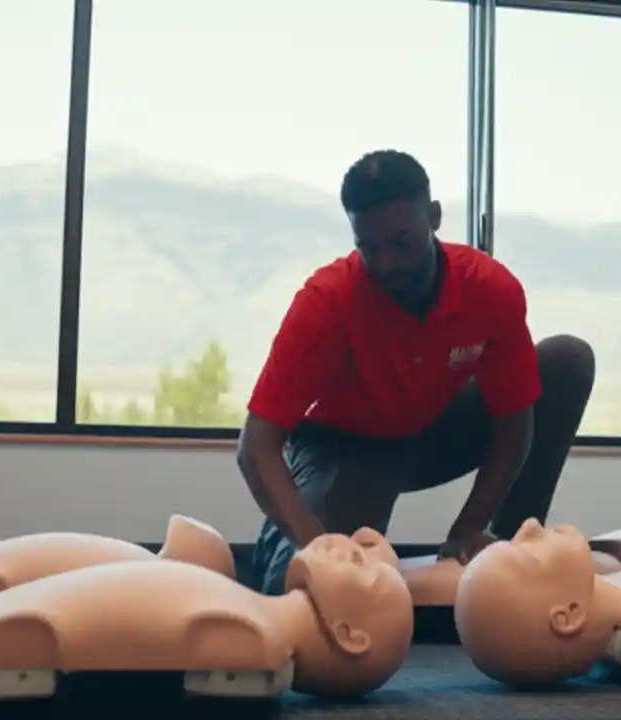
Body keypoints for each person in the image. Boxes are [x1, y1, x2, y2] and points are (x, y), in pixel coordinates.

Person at [238, 149, 595, 596]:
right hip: (347, 447)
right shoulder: (326, 302)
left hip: (433, 429)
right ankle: (279, 548)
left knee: (567, 361)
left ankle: (512, 552)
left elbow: (515, 420)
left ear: (434, 217)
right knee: (309, 587)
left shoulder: (489, 289)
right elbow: (255, 446)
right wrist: (318, 550)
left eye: (401, 243)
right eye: (370, 248)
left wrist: (469, 529)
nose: (386, 264)